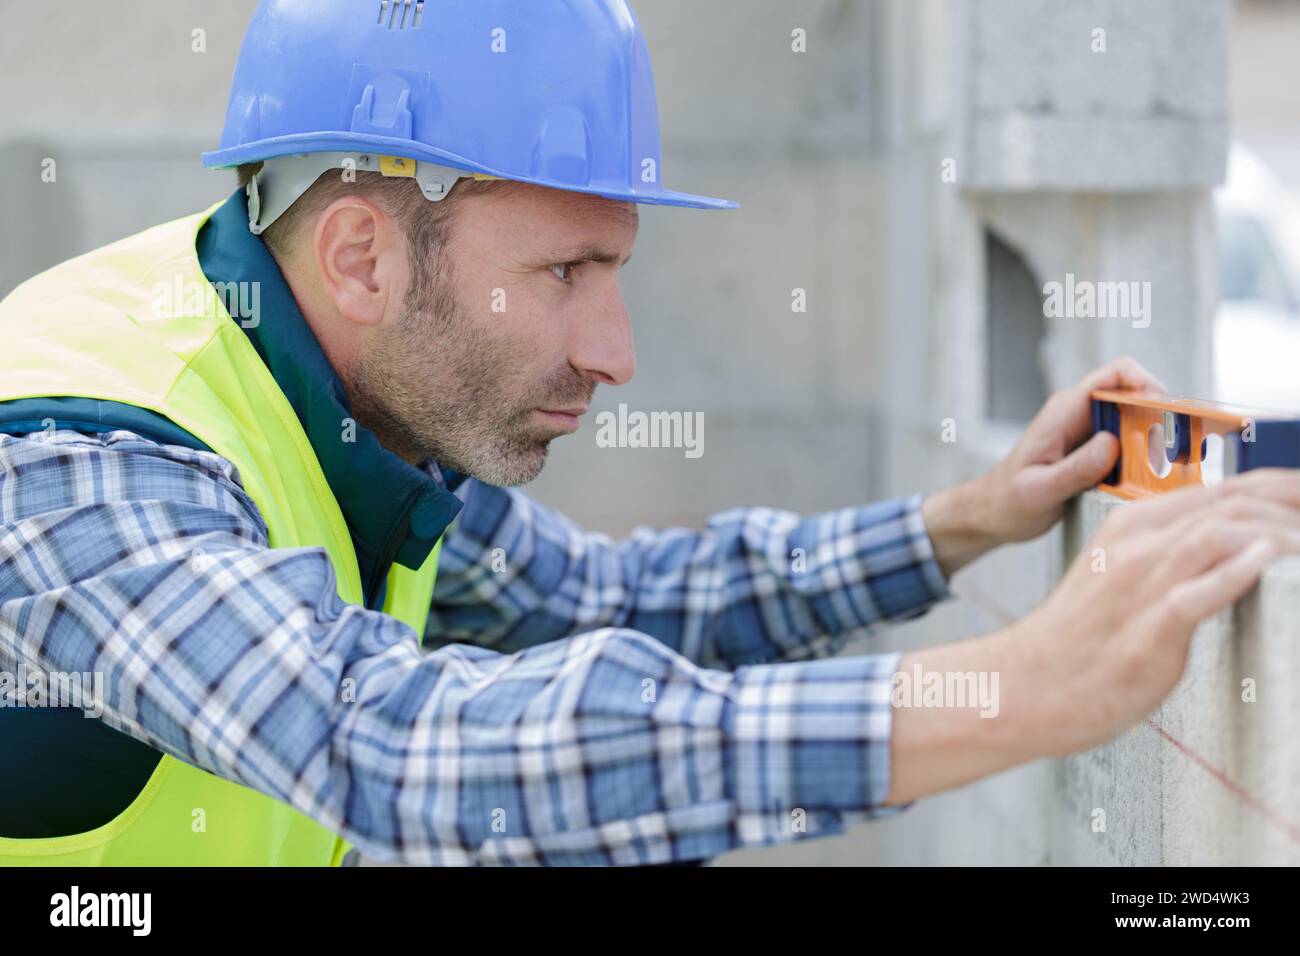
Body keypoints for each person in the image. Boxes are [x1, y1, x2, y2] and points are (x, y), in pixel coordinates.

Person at [1, 0, 1296, 866]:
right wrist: (1010, 693)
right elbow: (386, 740)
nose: (616, 354)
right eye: (565, 272)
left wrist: (971, 519)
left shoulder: (350, 401)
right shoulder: (81, 468)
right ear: (362, 256)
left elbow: (607, 600)